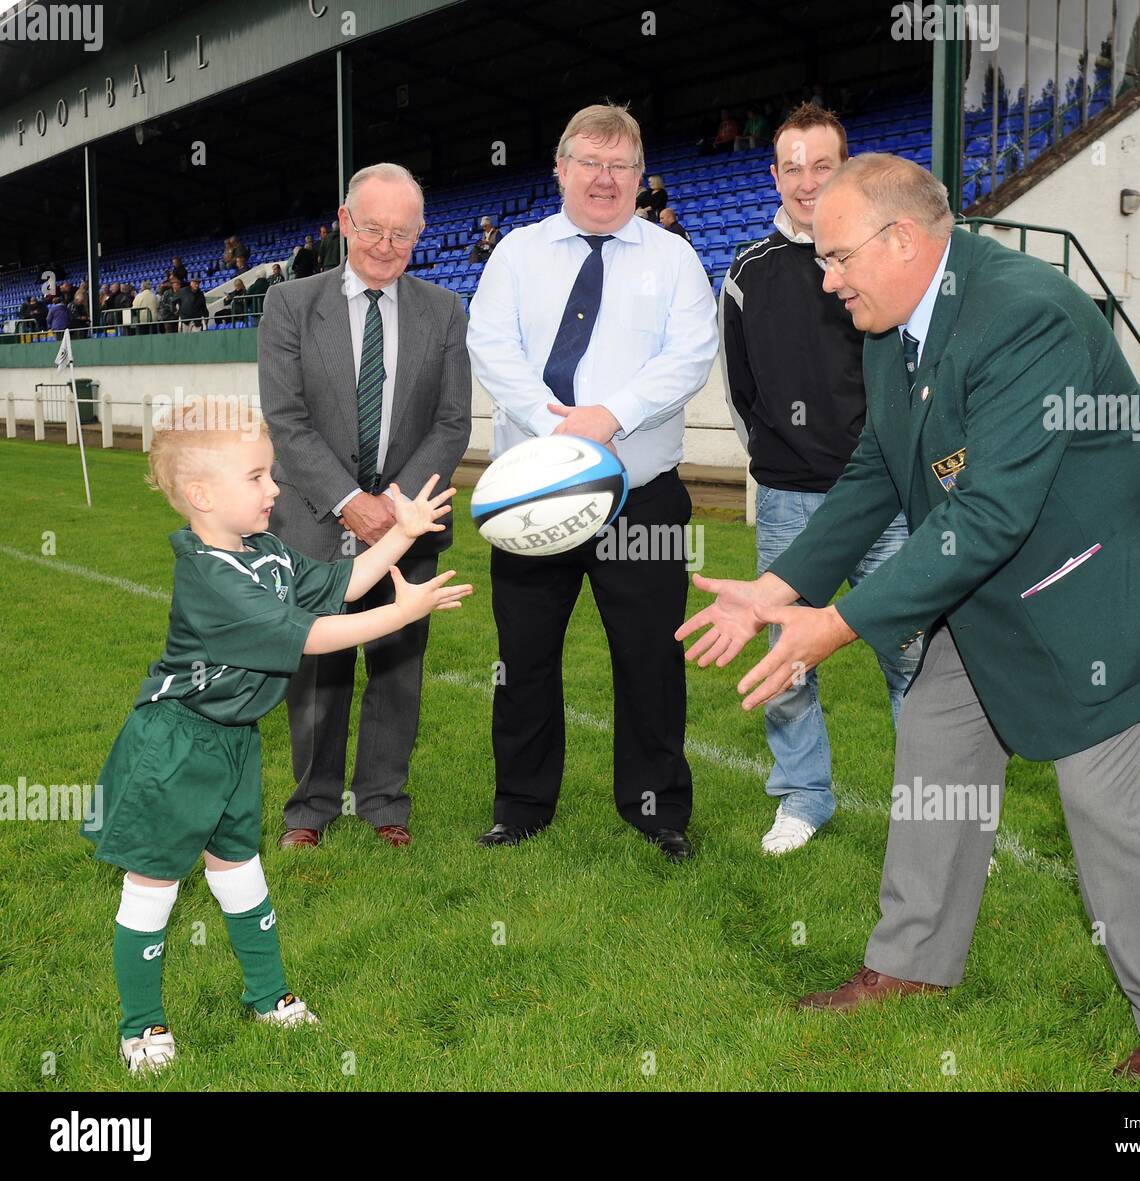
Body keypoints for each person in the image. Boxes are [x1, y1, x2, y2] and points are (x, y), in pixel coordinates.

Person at [678, 153, 1140, 1078]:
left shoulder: (1027, 313)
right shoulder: (888, 315)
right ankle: (912, 965)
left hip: (1107, 588)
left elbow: (988, 514)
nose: (827, 279)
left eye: (837, 257)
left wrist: (841, 624)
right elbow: (880, 470)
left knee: (1108, 802)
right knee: (936, 750)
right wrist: (785, 587)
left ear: (903, 240)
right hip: (995, 586)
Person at [81, 395, 469, 1073]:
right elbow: (313, 635)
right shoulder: (208, 576)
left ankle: (268, 996)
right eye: (257, 476)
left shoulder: (264, 552)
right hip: (175, 747)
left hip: (233, 743)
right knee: (154, 886)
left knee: (242, 872)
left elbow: (341, 585)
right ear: (201, 494)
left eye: (271, 473)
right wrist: (402, 612)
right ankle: (140, 1026)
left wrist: (400, 535)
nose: (276, 488)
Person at [466, 102, 718, 861]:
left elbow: (691, 353)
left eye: (622, 166)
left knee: (649, 655)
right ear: (561, 169)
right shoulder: (515, 252)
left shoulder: (673, 259)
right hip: (535, 491)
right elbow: (490, 344)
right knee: (525, 654)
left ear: (641, 177)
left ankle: (658, 809)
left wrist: (611, 415)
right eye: (591, 163)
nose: (605, 179)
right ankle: (521, 803)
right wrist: (559, 432)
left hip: (641, 494)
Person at [719, 105, 917, 856]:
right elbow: (742, 396)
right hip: (790, 498)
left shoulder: (882, 258)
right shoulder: (747, 273)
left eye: (821, 166)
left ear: (847, 169)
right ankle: (804, 796)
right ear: (774, 175)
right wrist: (779, 462)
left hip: (888, 499)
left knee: (911, 652)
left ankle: (933, 811)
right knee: (789, 658)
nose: (806, 182)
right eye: (791, 167)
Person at [259, 162, 472, 850]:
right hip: (314, 521)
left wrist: (396, 507)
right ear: (345, 221)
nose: (387, 245)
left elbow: (452, 422)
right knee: (317, 668)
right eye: (374, 228)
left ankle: (385, 799)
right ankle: (310, 810)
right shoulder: (290, 304)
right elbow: (286, 419)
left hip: (408, 522)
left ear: (420, 235)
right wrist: (350, 501)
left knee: (397, 663)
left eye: (403, 234)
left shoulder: (444, 309)